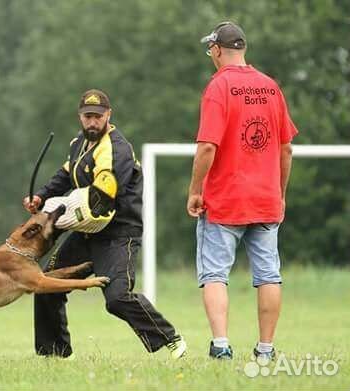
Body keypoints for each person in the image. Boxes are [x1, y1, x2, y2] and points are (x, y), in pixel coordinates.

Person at [23, 89, 186, 359]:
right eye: (87, 116)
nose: (92, 122)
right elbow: (65, 175)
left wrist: (55, 218)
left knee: (117, 299)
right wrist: (41, 197)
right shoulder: (79, 143)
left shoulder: (116, 149)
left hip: (118, 235)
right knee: (47, 284)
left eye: (98, 117)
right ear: (80, 117)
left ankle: (170, 338)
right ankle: (55, 354)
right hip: (88, 233)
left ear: (108, 115)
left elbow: (100, 201)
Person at [187, 22, 298, 360]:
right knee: (269, 276)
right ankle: (266, 350)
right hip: (266, 198)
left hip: (225, 200)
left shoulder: (218, 87)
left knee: (215, 274)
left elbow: (208, 146)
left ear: (217, 50)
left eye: (211, 49)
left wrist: (194, 190)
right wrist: (279, 193)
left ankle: (221, 346)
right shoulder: (270, 87)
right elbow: (286, 149)